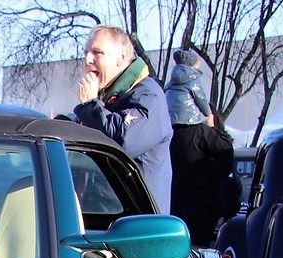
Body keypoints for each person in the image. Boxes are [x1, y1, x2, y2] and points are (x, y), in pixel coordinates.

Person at [71, 26, 172, 213]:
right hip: (102, 217)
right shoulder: (106, 99)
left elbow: (121, 143)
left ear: (121, 57)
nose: (87, 60)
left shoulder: (148, 96)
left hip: (138, 223)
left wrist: (90, 106)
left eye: (97, 52)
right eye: (85, 53)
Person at [165, 49, 237, 246]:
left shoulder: (165, 132)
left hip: (172, 201)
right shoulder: (200, 131)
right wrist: (213, 126)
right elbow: (226, 152)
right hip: (201, 203)